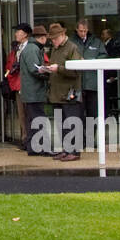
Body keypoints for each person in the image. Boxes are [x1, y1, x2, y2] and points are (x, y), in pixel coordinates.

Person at [45, 22, 82, 161]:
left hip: (69, 93)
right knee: (61, 124)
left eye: (55, 38)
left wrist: (58, 68)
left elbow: (77, 70)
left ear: (62, 35)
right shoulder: (55, 49)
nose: (53, 41)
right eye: (52, 39)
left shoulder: (72, 48)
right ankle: (66, 149)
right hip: (57, 93)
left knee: (71, 123)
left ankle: (74, 151)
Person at [73, 19, 105, 149]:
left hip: (92, 83)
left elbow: (104, 56)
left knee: (93, 113)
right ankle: (81, 140)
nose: (83, 33)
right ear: (77, 30)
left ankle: (91, 139)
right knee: (78, 113)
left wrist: (91, 62)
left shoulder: (96, 42)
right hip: (77, 83)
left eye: (85, 31)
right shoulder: (71, 42)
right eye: (81, 31)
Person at [20, 24, 50, 156]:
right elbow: (35, 69)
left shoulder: (30, 48)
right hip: (34, 91)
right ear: (42, 38)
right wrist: (48, 73)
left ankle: (33, 147)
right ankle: (43, 147)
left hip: (30, 91)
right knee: (39, 119)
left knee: (32, 120)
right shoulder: (33, 49)